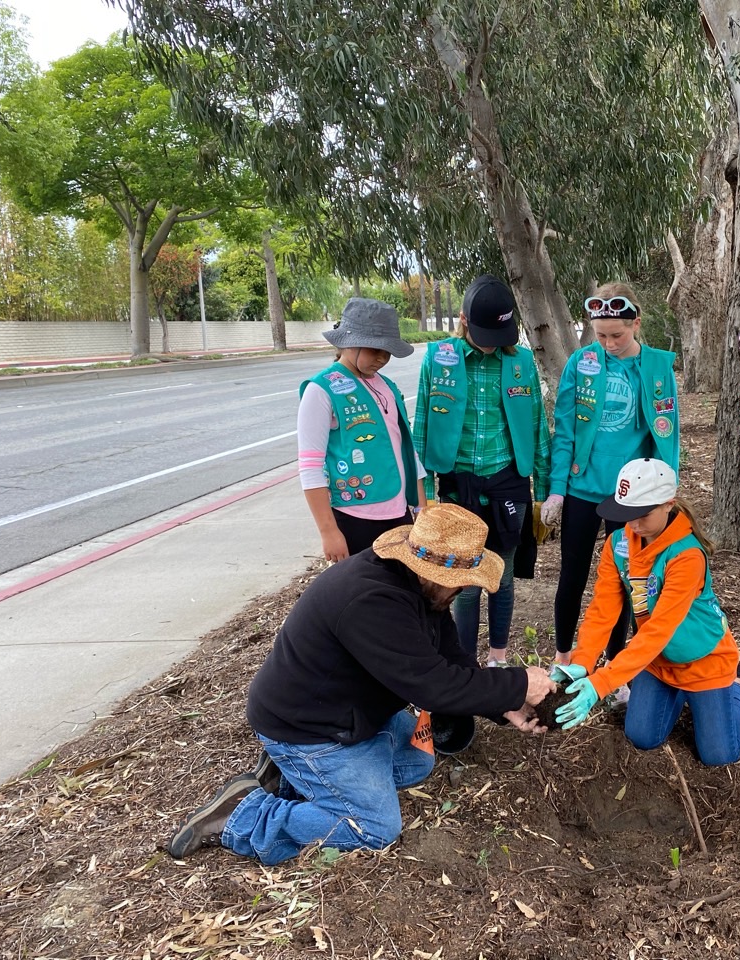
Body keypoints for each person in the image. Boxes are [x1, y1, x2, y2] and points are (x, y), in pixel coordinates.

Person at [164, 503, 558, 864]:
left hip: (351, 716)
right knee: (375, 828)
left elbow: (451, 660)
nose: (463, 588)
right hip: (309, 729)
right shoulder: (372, 600)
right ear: (430, 570)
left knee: (419, 761)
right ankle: (247, 814)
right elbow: (431, 687)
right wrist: (519, 683)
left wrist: (503, 704)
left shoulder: (421, 590)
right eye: (459, 580)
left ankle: (291, 779)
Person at [551, 459, 740, 766]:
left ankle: (739, 684)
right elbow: (603, 608)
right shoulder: (617, 545)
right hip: (656, 661)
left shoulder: (687, 556)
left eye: (641, 515)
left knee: (719, 755)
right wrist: (582, 661)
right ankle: (682, 696)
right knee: (643, 736)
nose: (632, 524)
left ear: (668, 505)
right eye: (625, 514)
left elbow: (659, 630)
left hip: (703, 660)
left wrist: (601, 683)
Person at [413, 275, 551, 666]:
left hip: (508, 481)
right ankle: (465, 662)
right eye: (484, 332)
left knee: (501, 576)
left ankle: (498, 658)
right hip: (458, 483)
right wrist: (420, 494)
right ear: (463, 321)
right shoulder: (440, 358)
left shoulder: (520, 361)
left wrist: (543, 492)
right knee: (465, 581)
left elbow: (538, 426)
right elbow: (421, 427)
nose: (491, 342)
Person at [542, 283, 680, 675]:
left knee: (625, 577)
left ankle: (616, 664)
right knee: (572, 573)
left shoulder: (655, 368)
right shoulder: (581, 363)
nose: (608, 343)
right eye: (600, 335)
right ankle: (563, 658)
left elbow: (667, 434)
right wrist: (556, 490)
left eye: (617, 334)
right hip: (582, 488)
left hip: (629, 494)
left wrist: (664, 489)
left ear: (636, 323)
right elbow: (564, 428)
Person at [298, 298, 426, 560]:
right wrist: (329, 532)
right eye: (374, 349)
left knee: (401, 595)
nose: (381, 358)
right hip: (354, 517)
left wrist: (421, 508)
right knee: (364, 597)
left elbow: (407, 450)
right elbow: (310, 468)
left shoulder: (387, 386)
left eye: (387, 351)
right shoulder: (321, 390)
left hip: (399, 513)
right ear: (347, 341)